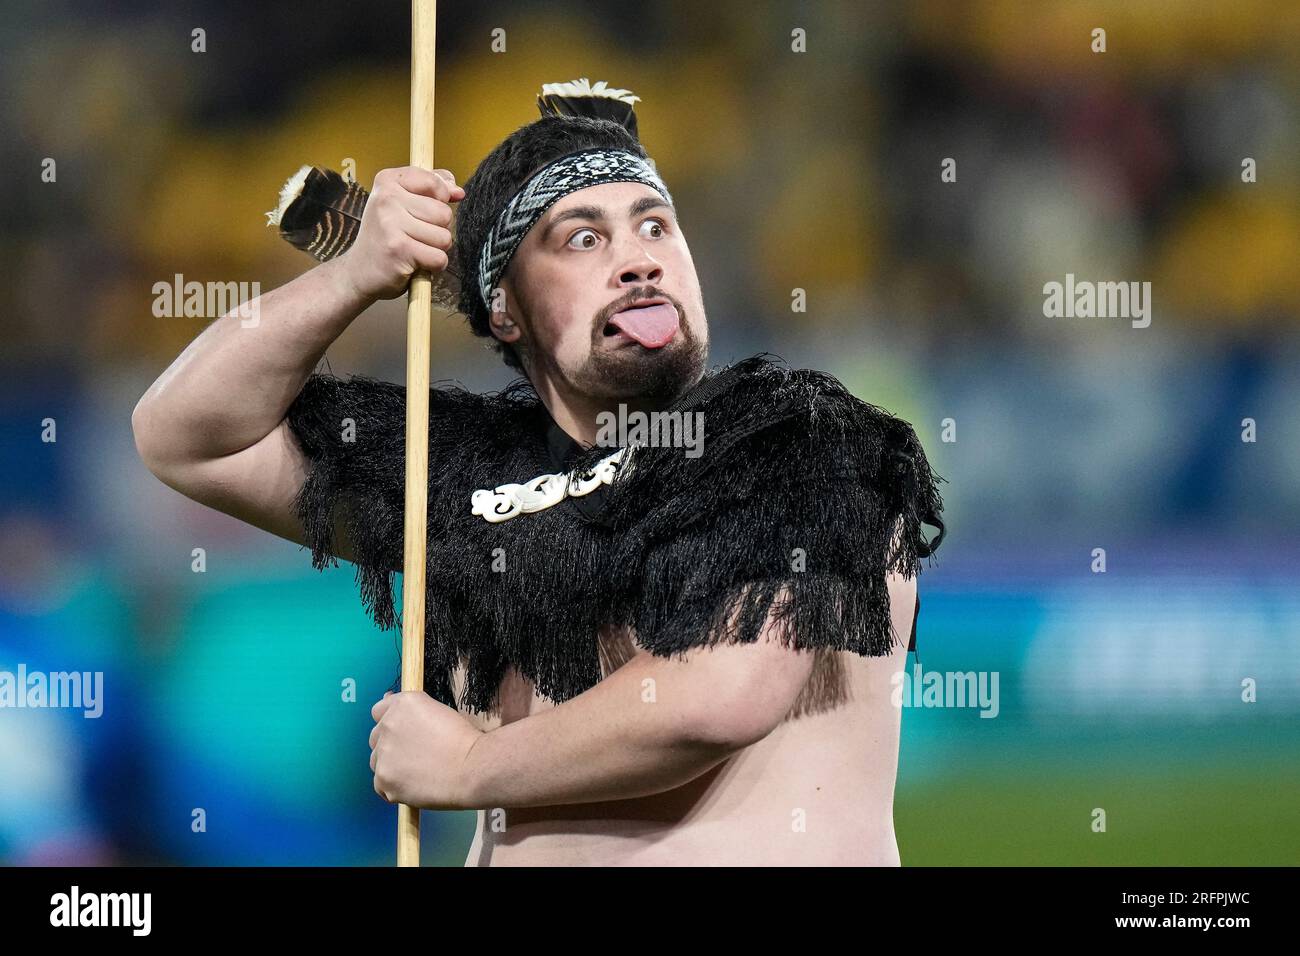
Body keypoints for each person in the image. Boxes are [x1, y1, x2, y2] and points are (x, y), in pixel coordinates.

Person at [132, 78, 945, 866]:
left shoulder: (801, 435)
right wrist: (353, 277)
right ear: (504, 310)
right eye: (583, 239)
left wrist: (467, 769)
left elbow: (717, 697)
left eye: (655, 227)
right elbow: (188, 437)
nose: (638, 262)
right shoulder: (460, 476)